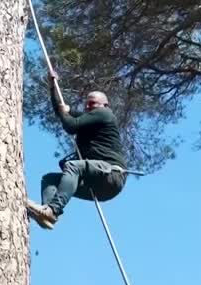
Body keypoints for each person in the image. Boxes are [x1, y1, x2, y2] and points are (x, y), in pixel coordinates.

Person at [26, 75, 127, 229]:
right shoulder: (91, 117)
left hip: (111, 173)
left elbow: (70, 125)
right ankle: (47, 213)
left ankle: (53, 209)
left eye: (92, 103)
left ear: (104, 105)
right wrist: (53, 87)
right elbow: (61, 111)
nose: (87, 107)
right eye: (86, 104)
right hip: (99, 184)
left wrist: (66, 113)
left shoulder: (105, 114)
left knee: (73, 166)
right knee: (50, 179)